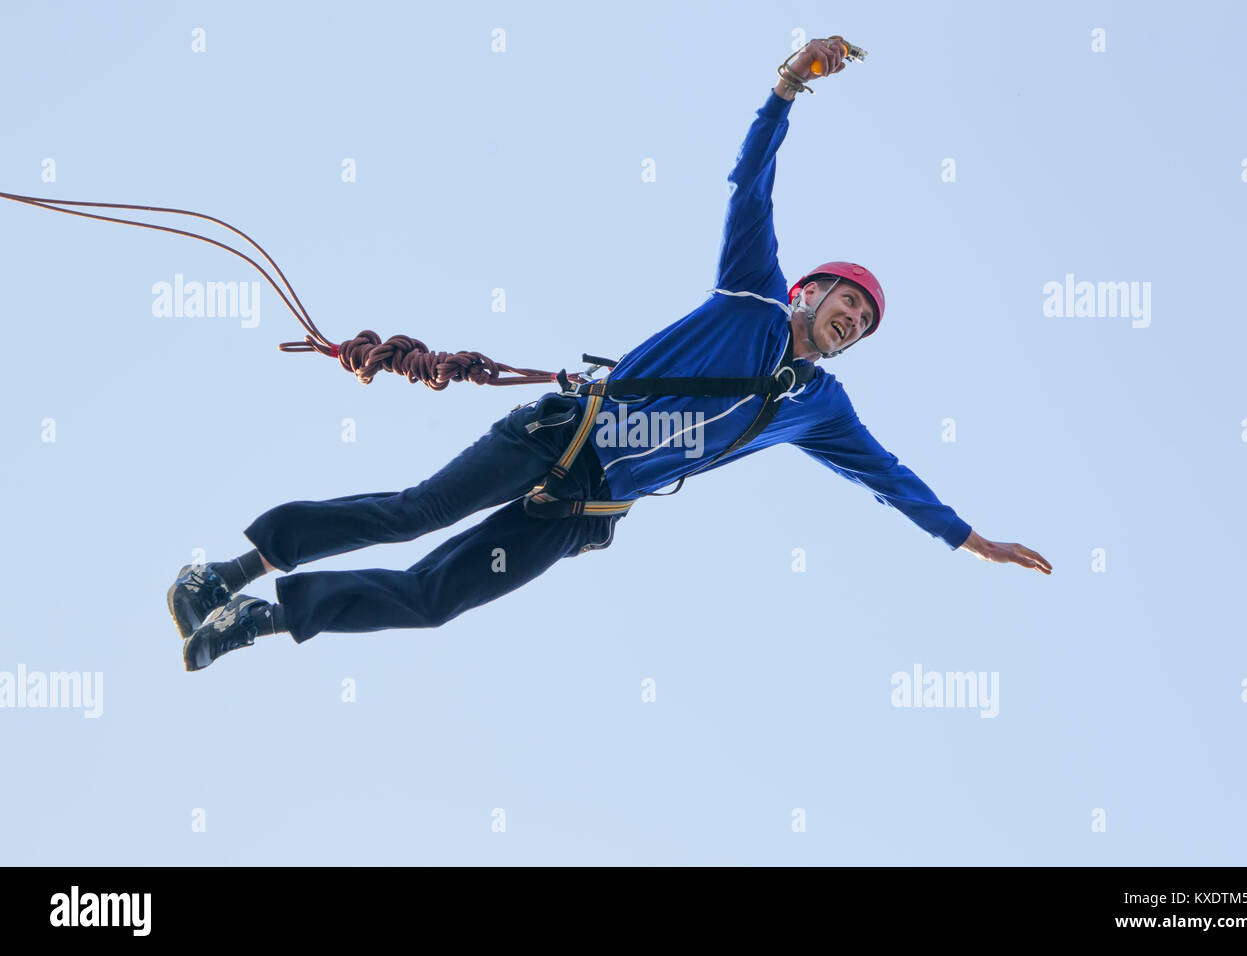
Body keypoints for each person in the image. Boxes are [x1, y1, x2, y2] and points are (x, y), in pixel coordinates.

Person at [168, 36, 1051, 672]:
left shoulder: (822, 408)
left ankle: (255, 622)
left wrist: (968, 541)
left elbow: (889, 477)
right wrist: (785, 87)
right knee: (412, 512)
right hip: (559, 434)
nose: (852, 318)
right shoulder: (749, 289)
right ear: (805, 293)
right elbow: (752, 182)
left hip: (583, 509)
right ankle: (230, 569)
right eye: (846, 299)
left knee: (435, 598)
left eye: (864, 320)